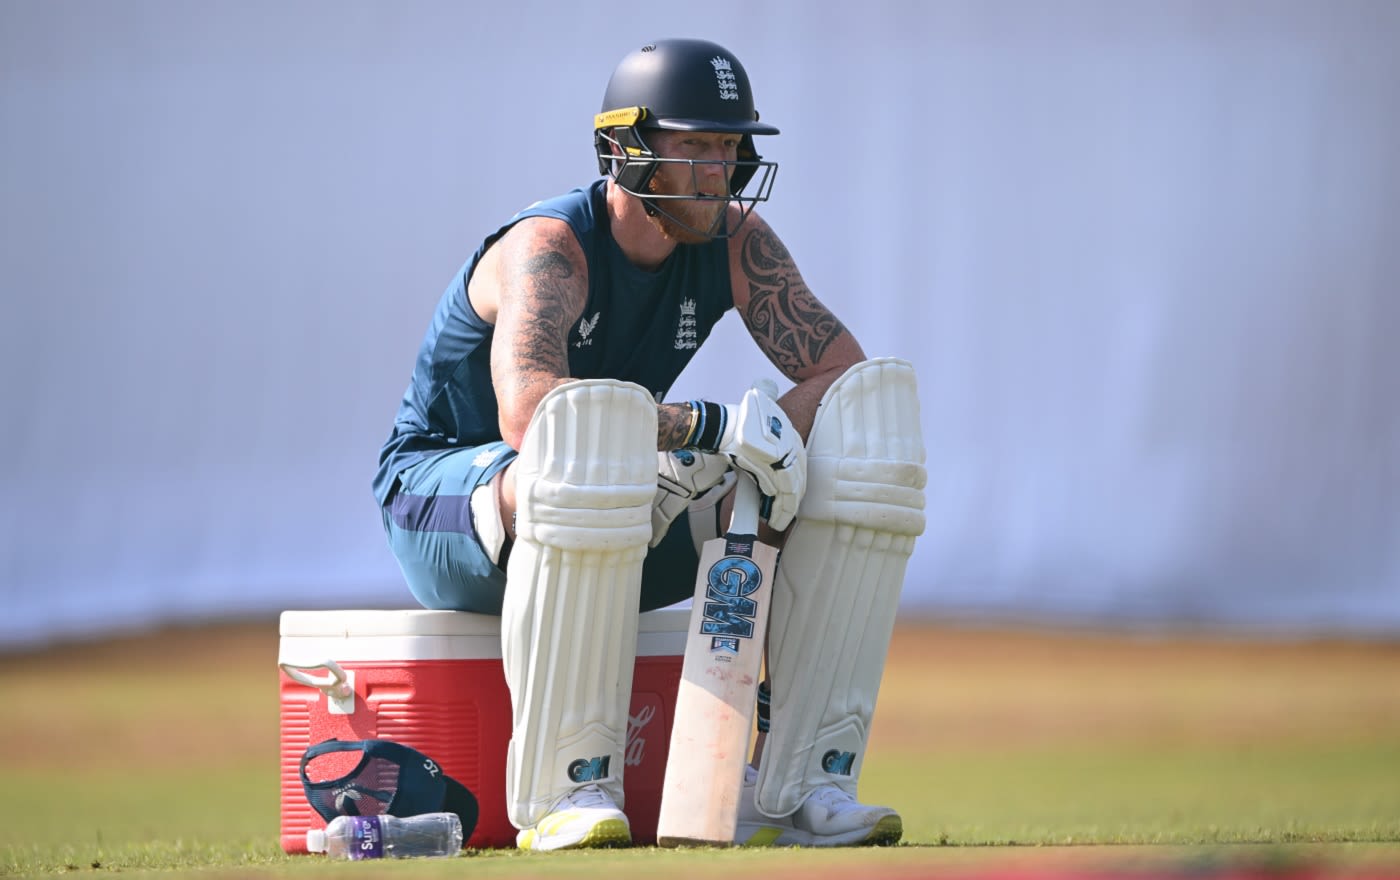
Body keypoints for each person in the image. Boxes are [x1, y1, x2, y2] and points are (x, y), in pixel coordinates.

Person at [373, 38, 927, 851]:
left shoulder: (738, 241)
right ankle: (570, 786)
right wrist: (704, 431)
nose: (719, 169)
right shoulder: (550, 246)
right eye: (695, 146)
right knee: (581, 458)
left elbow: (847, 387)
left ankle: (791, 781)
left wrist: (758, 447)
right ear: (626, 148)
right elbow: (531, 418)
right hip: (444, 503)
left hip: (614, 498)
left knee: (853, 449)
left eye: (730, 147)